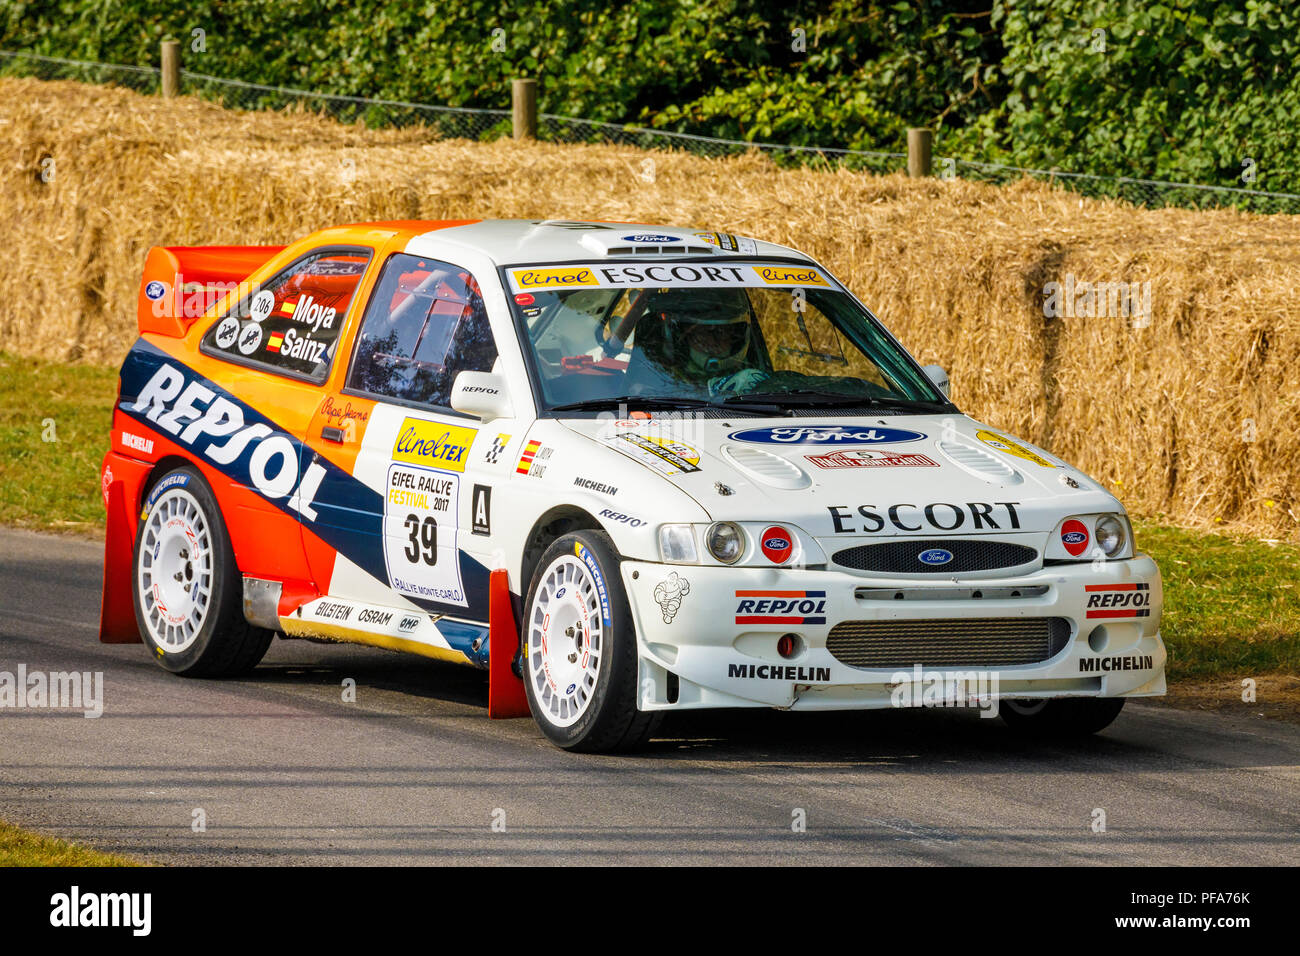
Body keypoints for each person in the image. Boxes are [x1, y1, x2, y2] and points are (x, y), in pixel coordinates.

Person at [631, 288, 769, 396]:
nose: (714, 342)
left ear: (737, 336)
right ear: (682, 336)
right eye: (705, 332)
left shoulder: (752, 380)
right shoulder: (656, 383)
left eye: (722, 332)